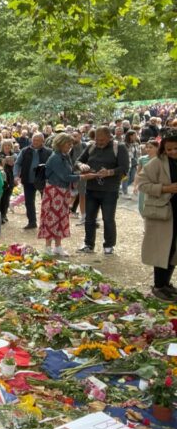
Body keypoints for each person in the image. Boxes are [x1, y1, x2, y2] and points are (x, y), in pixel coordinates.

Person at [37, 133, 98, 257]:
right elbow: (65, 176)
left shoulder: (64, 156)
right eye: (68, 144)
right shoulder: (55, 158)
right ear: (60, 144)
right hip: (54, 191)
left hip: (63, 191)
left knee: (61, 218)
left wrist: (81, 172)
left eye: (71, 144)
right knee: (50, 218)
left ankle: (58, 246)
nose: (70, 146)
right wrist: (83, 177)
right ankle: (48, 247)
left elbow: (68, 173)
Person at [75, 126, 130, 255]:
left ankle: (109, 245)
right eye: (97, 140)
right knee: (89, 218)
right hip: (92, 188)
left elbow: (124, 168)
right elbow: (77, 161)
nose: (99, 143)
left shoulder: (119, 147)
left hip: (109, 190)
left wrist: (109, 172)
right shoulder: (91, 147)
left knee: (108, 218)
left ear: (109, 137)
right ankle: (88, 244)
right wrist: (81, 165)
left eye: (102, 140)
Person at [138, 131, 177, 303]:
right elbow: (142, 184)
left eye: (176, 148)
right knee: (162, 249)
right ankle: (158, 286)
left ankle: (165, 284)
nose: (173, 152)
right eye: (169, 149)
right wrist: (165, 188)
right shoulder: (157, 163)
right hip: (162, 213)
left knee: (174, 250)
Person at [13, 132, 51, 230]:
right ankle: (32, 222)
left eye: (38, 140)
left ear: (43, 141)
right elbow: (17, 163)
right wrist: (16, 175)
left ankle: (46, 222)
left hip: (43, 181)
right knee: (29, 202)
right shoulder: (25, 151)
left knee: (46, 202)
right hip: (28, 180)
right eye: (34, 140)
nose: (35, 142)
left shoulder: (49, 152)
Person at [135, 139, 159, 216]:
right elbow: (138, 173)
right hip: (143, 185)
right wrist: (136, 185)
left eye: (150, 147)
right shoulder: (142, 159)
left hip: (155, 186)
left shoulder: (161, 159)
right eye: (147, 147)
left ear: (157, 148)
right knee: (141, 207)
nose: (148, 149)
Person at [0, 138, 17, 223]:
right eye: (5, 145)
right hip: (2, 178)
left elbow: (16, 165)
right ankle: (0, 215)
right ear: (2, 146)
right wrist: (4, 161)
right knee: (2, 197)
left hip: (11, 177)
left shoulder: (14, 155)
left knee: (7, 196)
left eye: (9, 145)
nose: (7, 147)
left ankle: (4, 214)